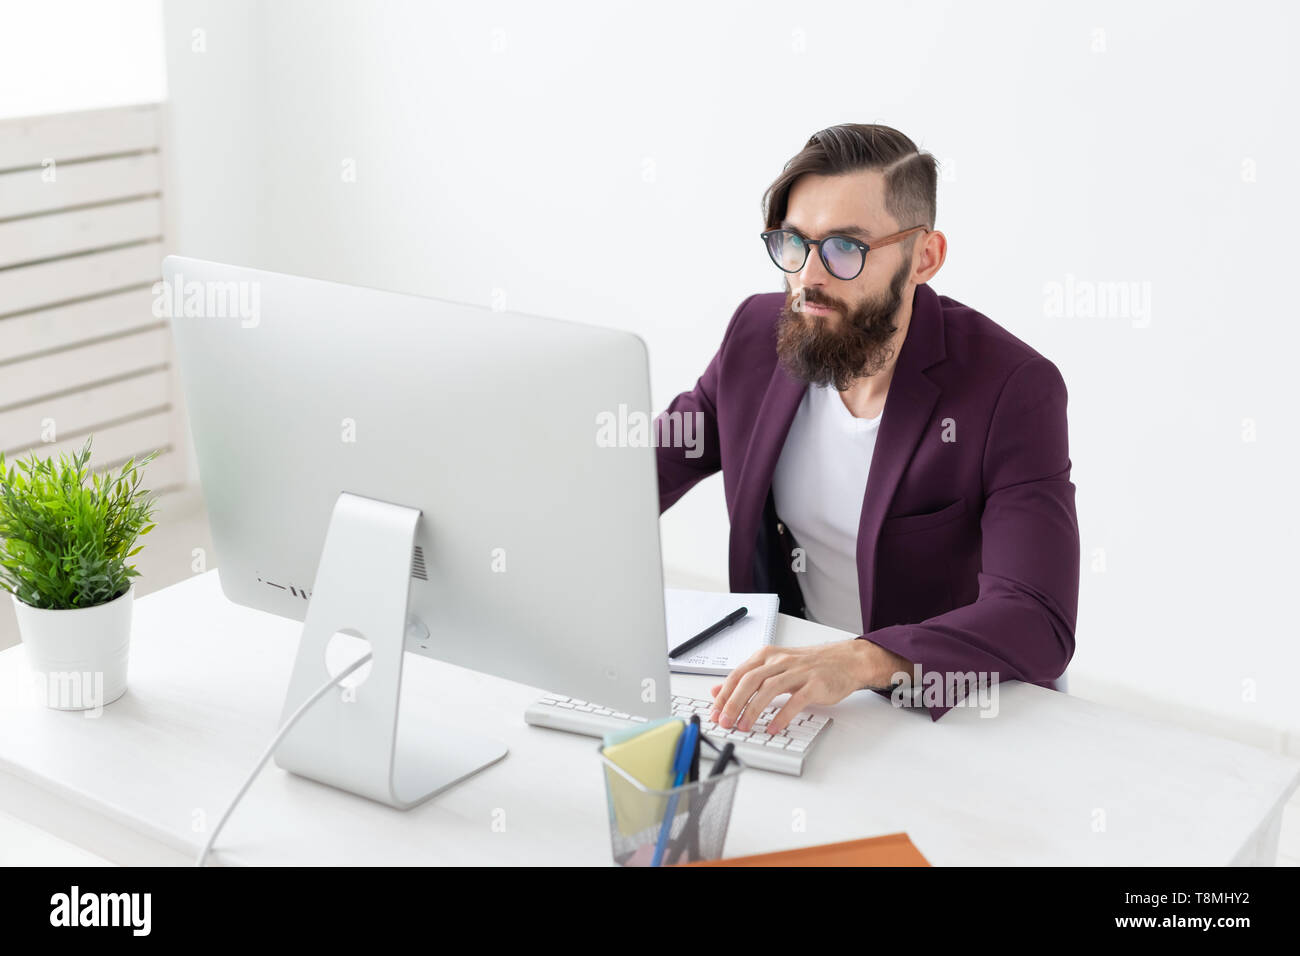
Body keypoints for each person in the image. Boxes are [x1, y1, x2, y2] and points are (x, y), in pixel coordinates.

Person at [654, 123, 1080, 731]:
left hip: (957, 707)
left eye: (845, 249)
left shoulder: (1011, 388)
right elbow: (643, 472)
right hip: (802, 691)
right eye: (794, 242)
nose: (808, 277)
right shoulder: (757, 334)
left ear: (924, 257)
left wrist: (861, 660)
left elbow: (1037, 616)